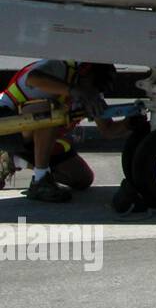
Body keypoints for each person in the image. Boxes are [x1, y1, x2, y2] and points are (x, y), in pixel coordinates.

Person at [0, 60, 129, 202]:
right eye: (92, 87)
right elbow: (33, 78)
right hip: (6, 124)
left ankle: (16, 160)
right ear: (84, 74)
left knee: (82, 178)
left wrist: (130, 124)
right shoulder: (61, 67)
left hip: (36, 138)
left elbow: (108, 131)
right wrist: (75, 91)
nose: (93, 92)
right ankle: (40, 181)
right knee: (49, 110)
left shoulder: (90, 92)